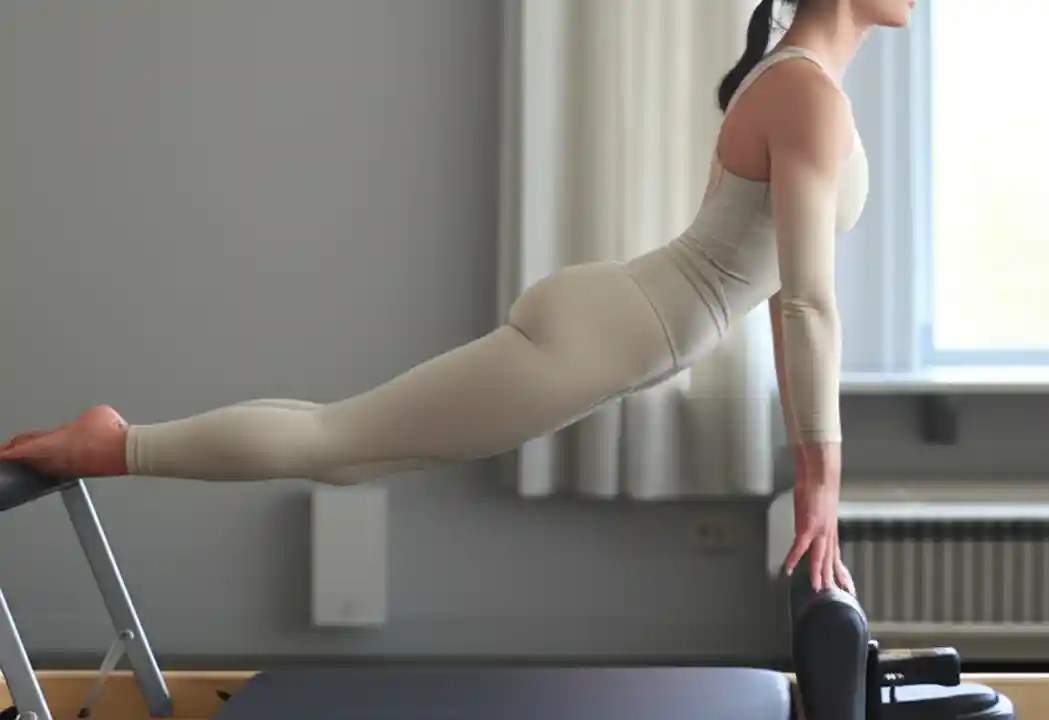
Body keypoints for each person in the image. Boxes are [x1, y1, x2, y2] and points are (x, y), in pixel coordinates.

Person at [1, 0, 913, 593]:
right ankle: (115, 445)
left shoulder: (808, 88)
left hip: (615, 322)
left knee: (339, 442)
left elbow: (785, 295)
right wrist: (819, 484)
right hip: (603, 336)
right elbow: (808, 303)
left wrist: (814, 471)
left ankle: (119, 442)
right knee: (335, 446)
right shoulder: (806, 95)